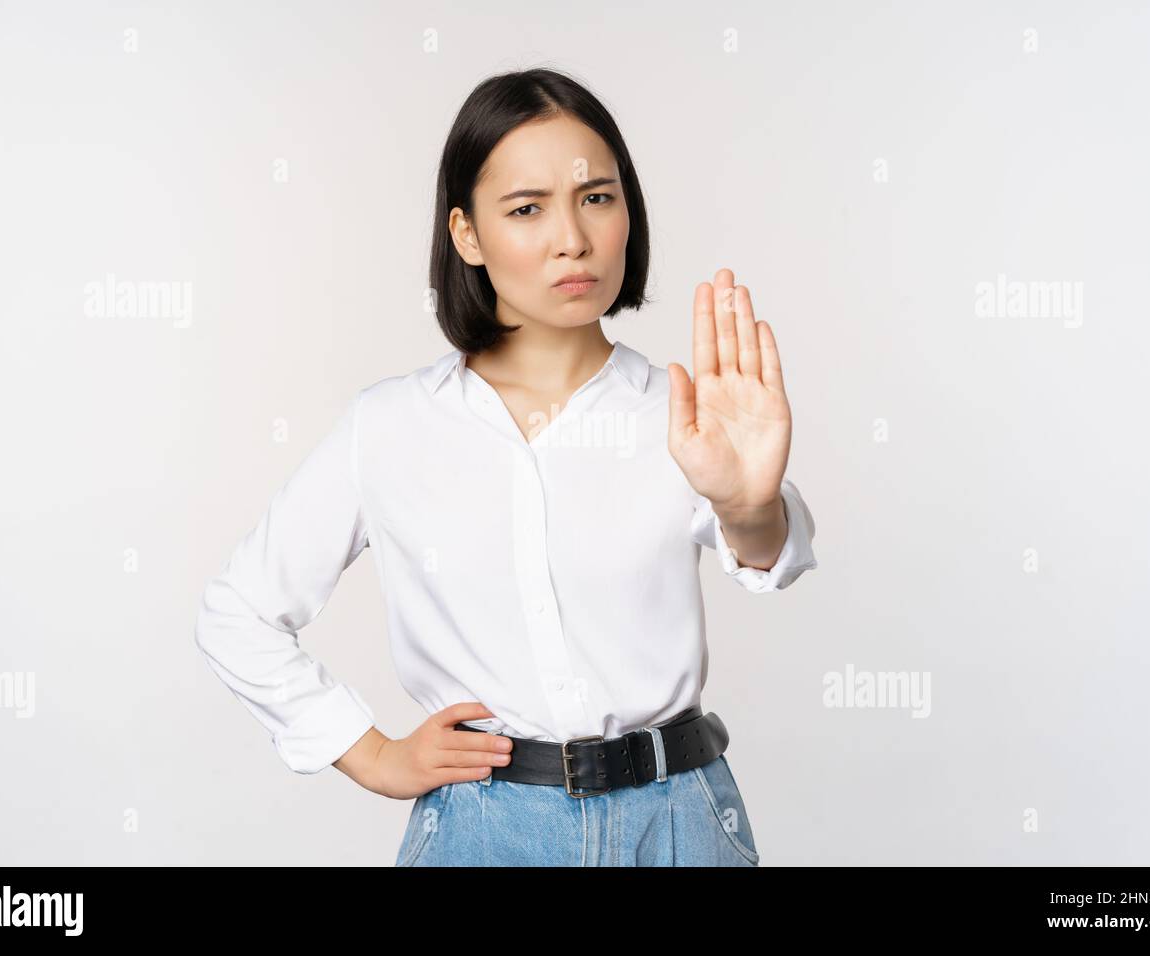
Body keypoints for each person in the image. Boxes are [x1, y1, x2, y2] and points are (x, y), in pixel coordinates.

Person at [194, 67, 818, 866]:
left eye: (597, 196)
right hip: (486, 833)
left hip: (679, 825)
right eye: (527, 209)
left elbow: (774, 553)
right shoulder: (389, 426)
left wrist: (749, 506)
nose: (573, 238)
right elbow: (237, 611)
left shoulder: (682, 413)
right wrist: (370, 752)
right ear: (467, 235)